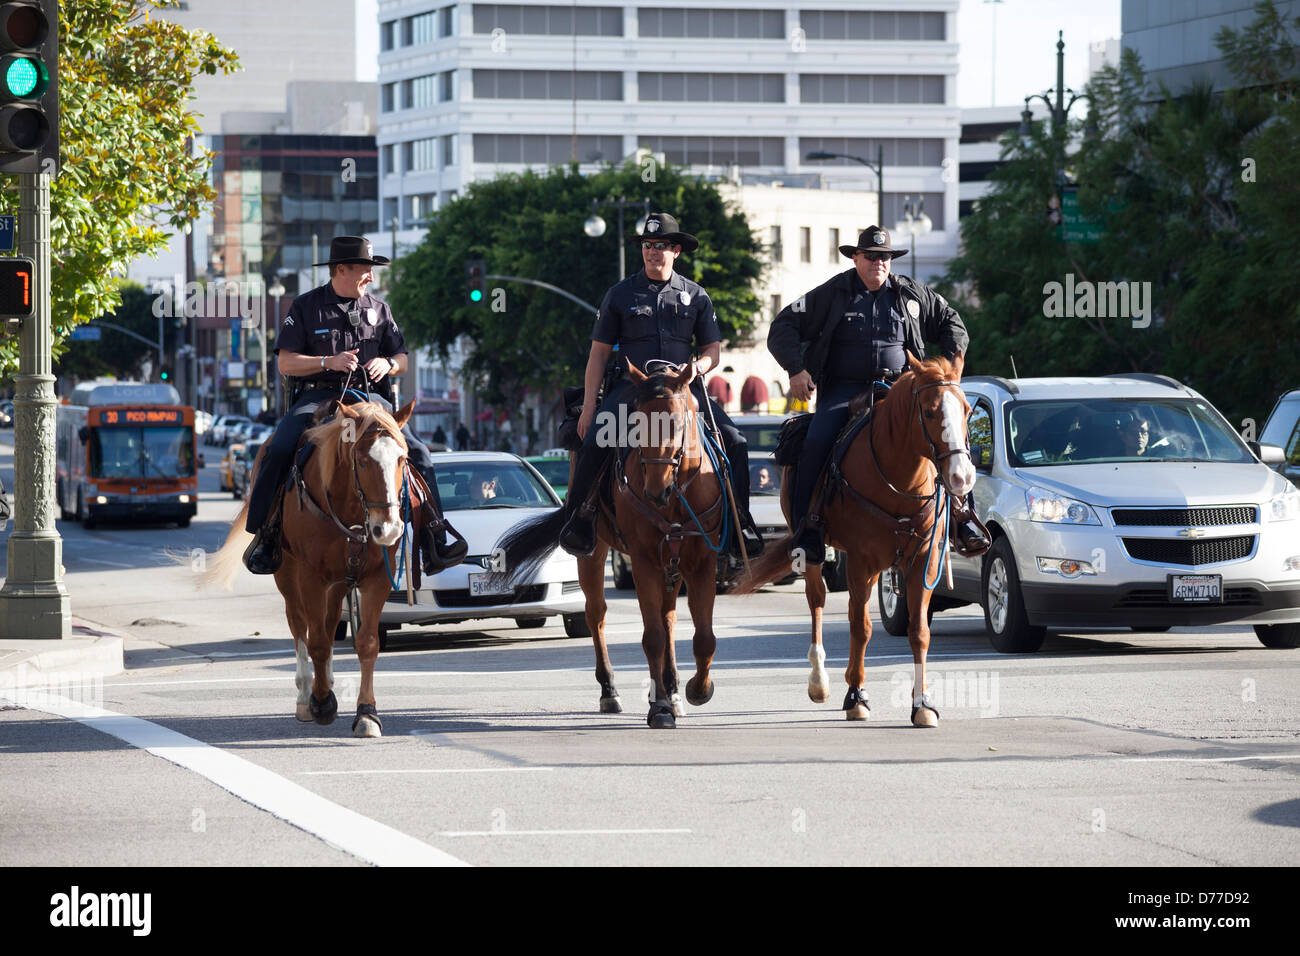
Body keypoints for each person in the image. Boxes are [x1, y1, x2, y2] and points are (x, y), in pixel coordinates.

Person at [242, 236, 467, 575]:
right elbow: (286, 364)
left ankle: (433, 535)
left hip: (369, 399)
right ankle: (267, 534)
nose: (370, 278)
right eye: (364, 270)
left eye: (371, 271)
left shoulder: (379, 309)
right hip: (319, 397)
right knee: (280, 447)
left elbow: (403, 358)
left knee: (419, 452)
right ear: (341, 269)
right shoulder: (305, 306)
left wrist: (389, 365)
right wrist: (326, 362)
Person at [767, 225, 987, 563]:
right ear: (856, 258)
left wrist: (953, 365)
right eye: (870, 257)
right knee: (814, 442)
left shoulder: (911, 294)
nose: (878, 263)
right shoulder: (833, 293)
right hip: (844, 390)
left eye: (884, 257)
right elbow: (782, 326)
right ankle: (807, 531)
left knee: (949, 432)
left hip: (902, 391)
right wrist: (796, 370)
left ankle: (963, 518)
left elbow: (952, 321)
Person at [558, 212, 765, 559]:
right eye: (648, 246)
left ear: (677, 251)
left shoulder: (696, 295)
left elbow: (713, 350)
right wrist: (591, 406)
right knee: (595, 438)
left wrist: (698, 366)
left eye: (662, 246)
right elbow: (597, 355)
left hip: (683, 388)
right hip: (632, 388)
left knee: (736, 441)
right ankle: (579, 517)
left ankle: (740, 522)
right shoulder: (620, 294)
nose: (653, 252)